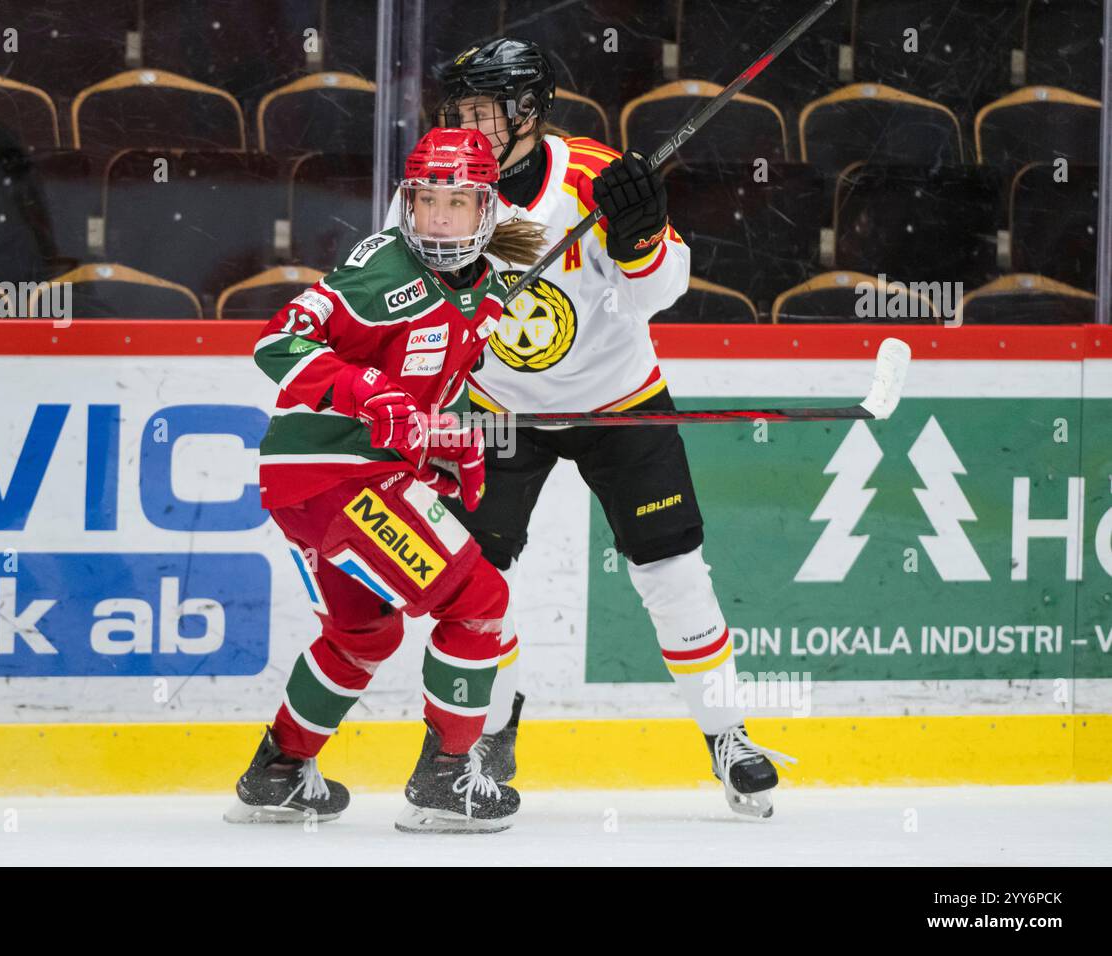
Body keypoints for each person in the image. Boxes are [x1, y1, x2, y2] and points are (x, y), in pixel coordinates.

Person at [386, 38, 795, 818]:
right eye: (459, 110)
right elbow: (399, 285)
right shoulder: (436, 178)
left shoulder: (590, 178)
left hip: (618, 401)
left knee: (672, 572)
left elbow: (660, 292)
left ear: (530, 112)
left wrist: (640, 238)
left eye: (484, 111)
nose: (467, 124)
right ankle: (486, 729)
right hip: (498, 410)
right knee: (474, 586)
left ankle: (726, 732)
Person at [226, 127, 546, 833]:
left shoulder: (485, 291)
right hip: (339, 478)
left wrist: (452, 438)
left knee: (361, 635)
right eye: (426, 199)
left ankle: (277, 771)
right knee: (479, 598)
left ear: (486, 210)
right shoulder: (384, 272)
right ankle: (446, 777)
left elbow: (431, 393)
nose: (437, 216)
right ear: (407, 201)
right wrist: (372, 395)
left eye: (456, 203)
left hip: (314, 489)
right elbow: (276, 343)